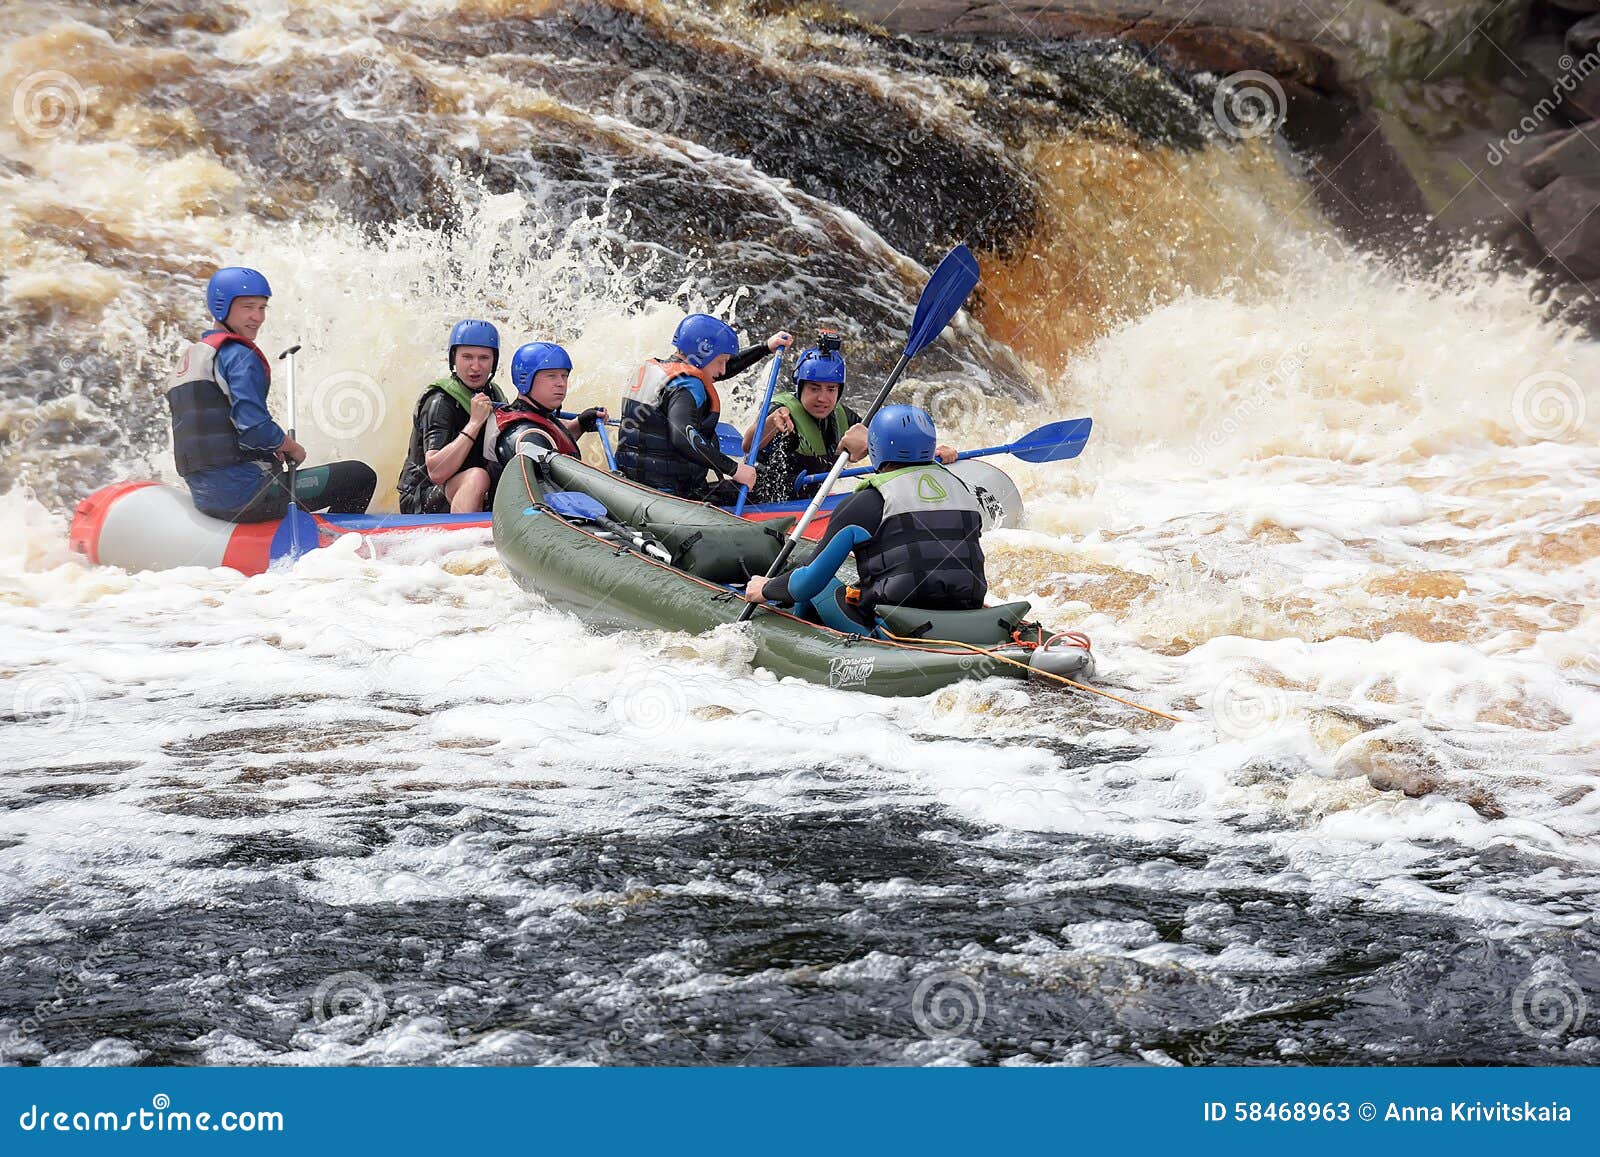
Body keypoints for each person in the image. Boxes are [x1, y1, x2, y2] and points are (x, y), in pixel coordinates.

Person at [742, 404, 985, 630]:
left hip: (896, 626)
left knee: (819, 581)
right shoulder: (962, 489)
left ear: (876, 448)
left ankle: (797, 631)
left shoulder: (865, 502)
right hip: (965, 616)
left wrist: (766, 588)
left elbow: (808, 583)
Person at [166, 267, 375, 522]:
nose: (257, 317)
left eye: (262, 307)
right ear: (221, 307)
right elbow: (254, 429)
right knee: (358, 476)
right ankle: (339, 544)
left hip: (206, 496)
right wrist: (291, 447)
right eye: (248, 306)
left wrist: (270, 448)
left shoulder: (191, 360)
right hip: (245, 495)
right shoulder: (240, 356)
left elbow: (217, 428)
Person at [616, 313, 791, 502]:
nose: (723, 370)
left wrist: (765, 348)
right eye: (721, 361)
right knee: (765, 485)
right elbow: (683, 437)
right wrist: (735, 469)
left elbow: (714, 371)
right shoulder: (687, 388)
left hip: (634, 480)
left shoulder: (657, 371)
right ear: (703, 355)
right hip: (672, 495)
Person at [740, 330, 868, 505]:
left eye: (831, 389)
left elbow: (882, 440)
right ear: (800, 388)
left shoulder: (843, 416)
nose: (823, 398)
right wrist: (770, 423)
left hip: (808, 503)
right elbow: (748, 445)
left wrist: (870, 440)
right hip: (762, 502)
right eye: (814, 388)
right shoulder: (780, 410)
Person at [396, 319, 507, 514]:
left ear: (494, 361)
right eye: (467, 357)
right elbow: (436, 471)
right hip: (422, 498)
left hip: (470, 490)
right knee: (477, 477)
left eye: (484, 358)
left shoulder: (495, 395)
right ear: (454, 358)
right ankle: (465, 543)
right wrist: (474, 423)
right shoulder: (439, 402)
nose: (475, 366)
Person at [486, 341, 606, 465]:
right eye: (551, 376)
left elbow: (553, 443)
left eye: (564, 376)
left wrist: (580, 424)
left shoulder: (536, 417)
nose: (561, 383)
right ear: (526, 380)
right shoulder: (525, 435)